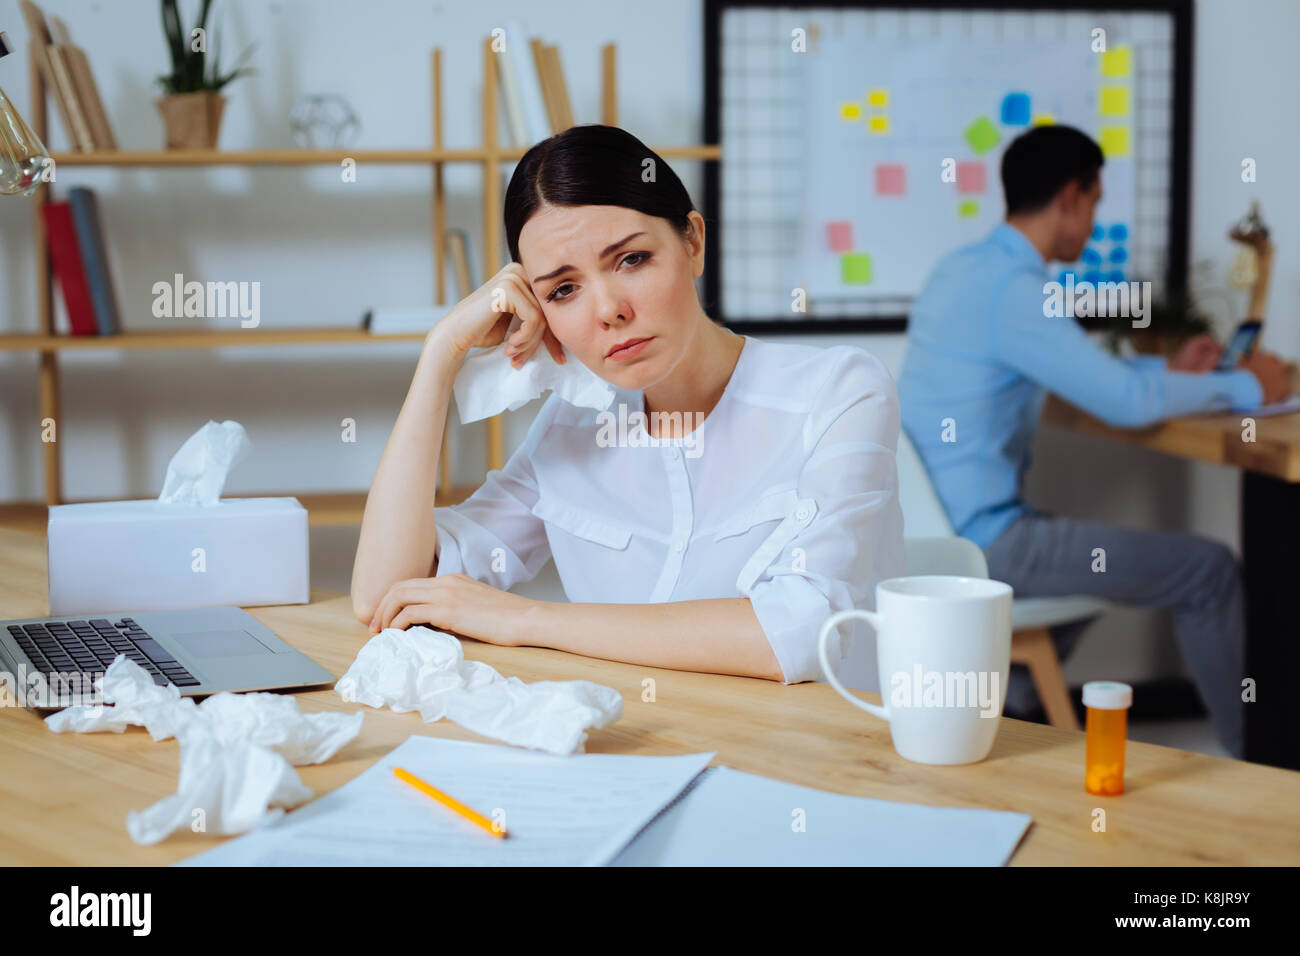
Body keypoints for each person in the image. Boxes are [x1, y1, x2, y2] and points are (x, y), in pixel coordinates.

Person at [352, 124, 905, 684]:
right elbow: (385, 594)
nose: (609, 309)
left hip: (817, 759)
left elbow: (801, 634)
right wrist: (440, 355)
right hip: (639, 753)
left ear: (692, 242)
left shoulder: (839, 392)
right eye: (563, 290)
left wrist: (526, 618)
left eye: (632, 259)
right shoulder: (573, 428)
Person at [898, 124, 1291, 759]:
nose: (1094, 218)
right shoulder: (1018, 292)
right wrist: (1246, 387)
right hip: (985, 540)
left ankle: (1017, 701)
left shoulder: (965, 271)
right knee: (1208, 570)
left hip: (937, 531)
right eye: (1096, 201)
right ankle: (1268, 767)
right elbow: (1121, 401)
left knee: (1097, 570)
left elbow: (1094, 376)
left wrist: (1175, 373)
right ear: (1071, 198)